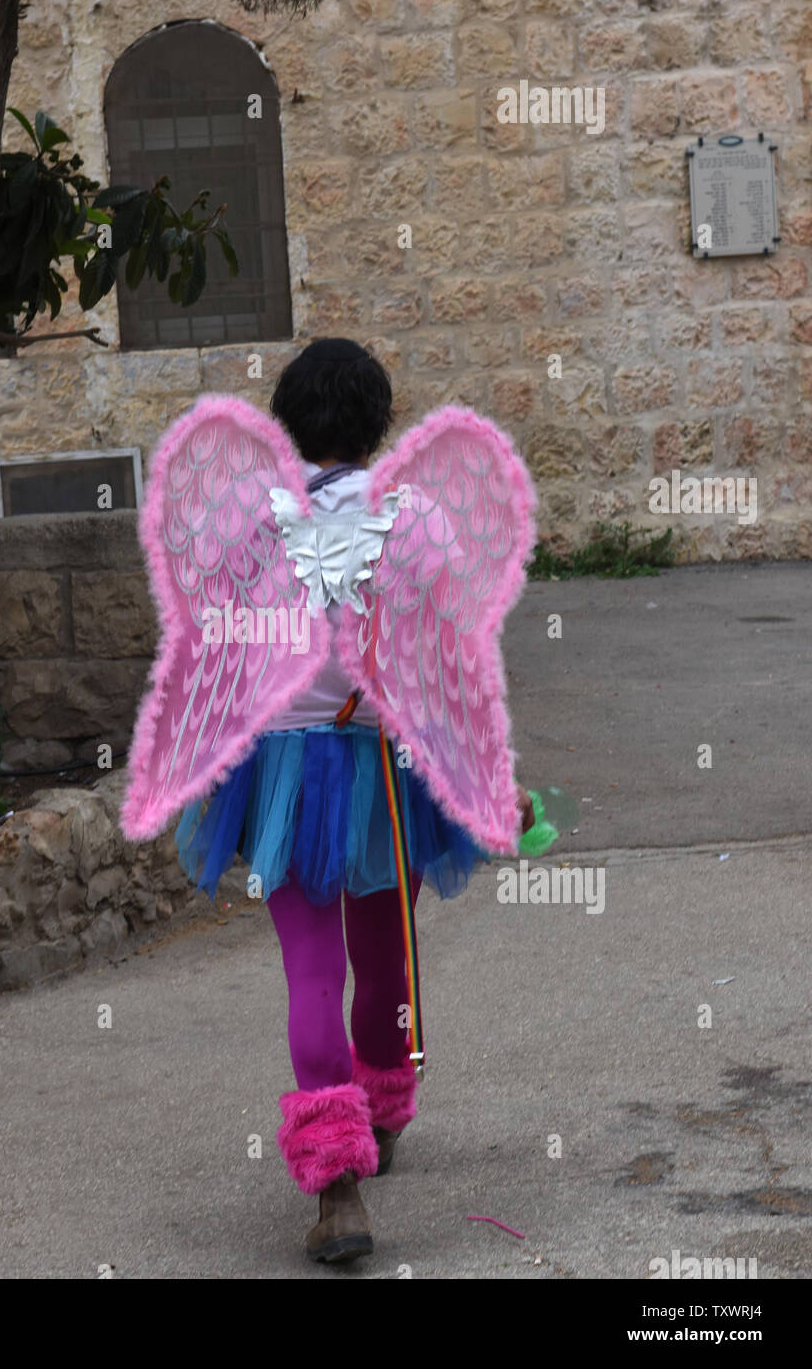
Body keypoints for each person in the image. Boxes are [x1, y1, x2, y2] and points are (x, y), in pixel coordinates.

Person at [124, 338, 536, 1264]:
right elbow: (449, 654)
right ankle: (382, 1116)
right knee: (385, 956)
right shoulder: (416, 518)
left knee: (311, 970)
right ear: (379, 423)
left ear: (287, 423)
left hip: (281, 773)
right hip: (389, 774)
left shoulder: (246, 521)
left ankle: (337, 1190)